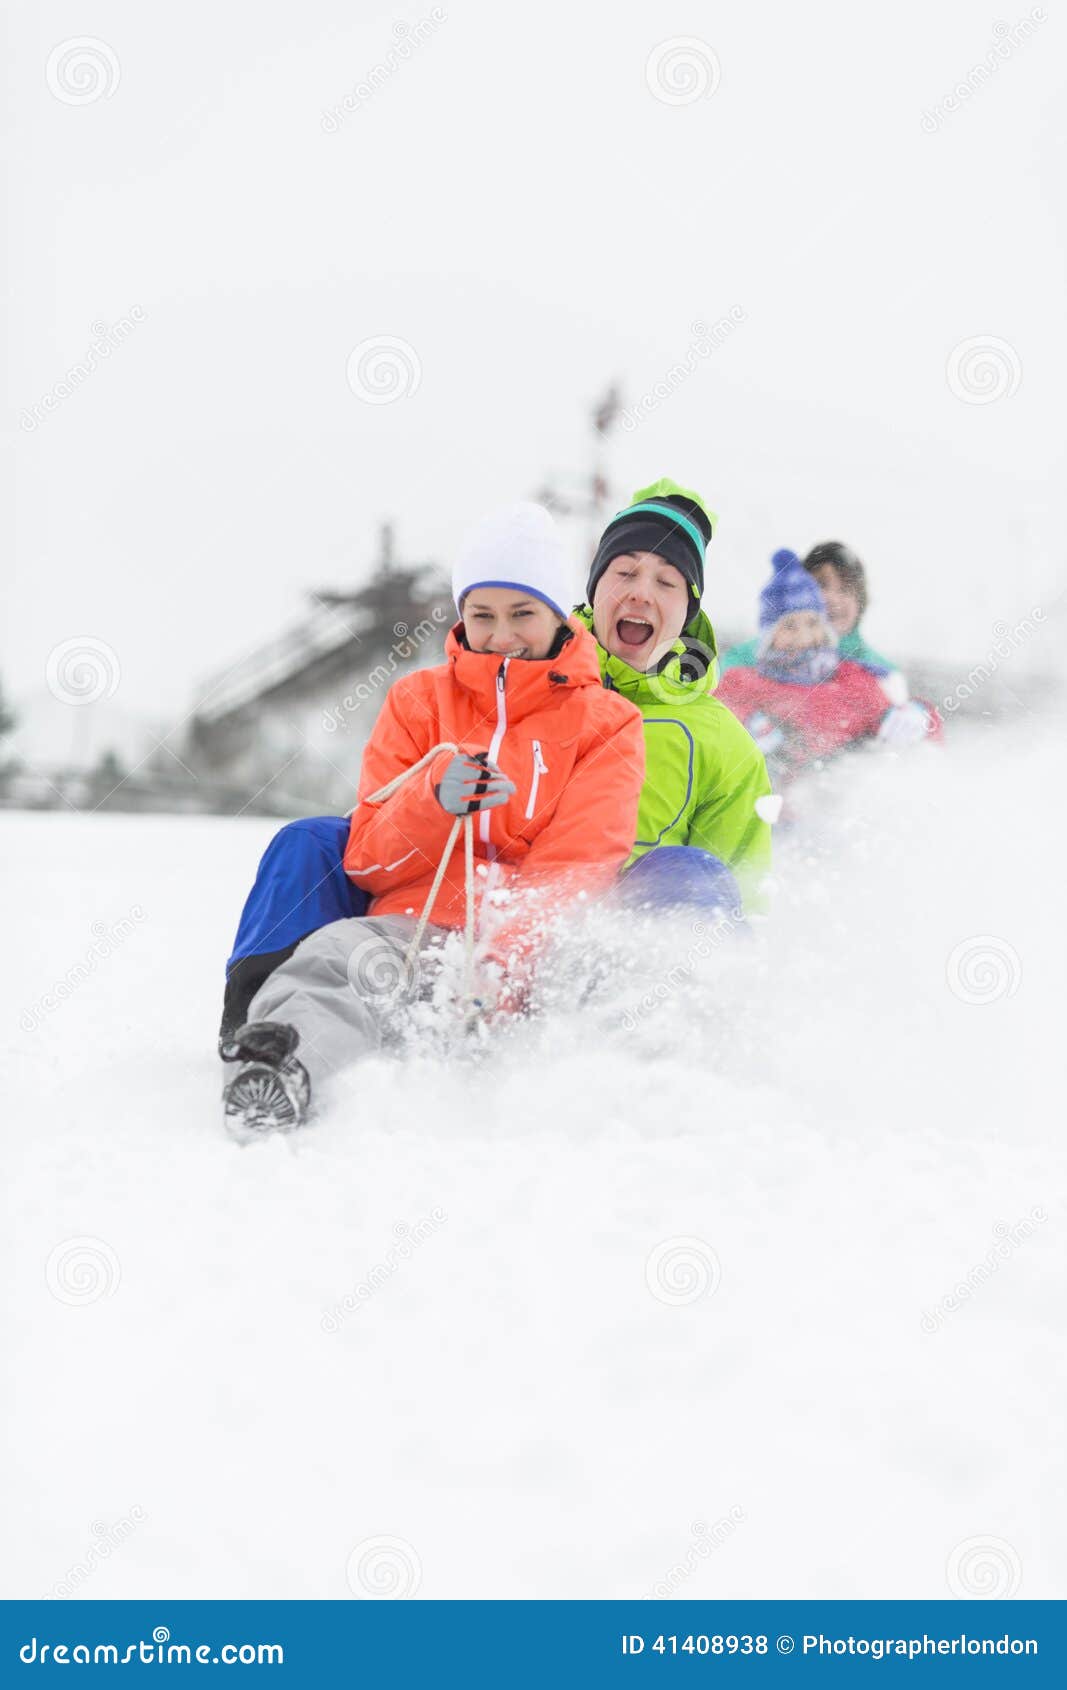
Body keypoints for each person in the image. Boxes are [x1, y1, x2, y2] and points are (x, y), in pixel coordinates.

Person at [218, 478, 774, 1054]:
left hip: (593, 917)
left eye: (666, 581)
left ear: (688, 608)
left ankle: (683, 1043)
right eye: (625, 572)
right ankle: (268, 1030)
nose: (640, 593)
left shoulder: (703, 738)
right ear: (591, 588)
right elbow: (374, 842)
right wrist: (433, 800)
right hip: (448, 894)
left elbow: (736, 886)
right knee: (309, 843)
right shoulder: (478, 678)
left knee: (691, 873)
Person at [221, 504, 646, 1137]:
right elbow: (366, 856)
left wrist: (502, 962)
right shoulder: (418, 701)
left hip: (529, 954)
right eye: (482, 615)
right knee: (334, 957)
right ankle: (277, 1066)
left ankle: (644, 1087)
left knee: (604, 980)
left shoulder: (607, 723)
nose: (501, 634)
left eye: (522, 613)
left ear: (560, 614)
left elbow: (579, 861)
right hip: (412, 930)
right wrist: (431, 799)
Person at [715, 549, 940, 784]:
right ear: (769, 635)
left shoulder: (861, 676)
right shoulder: (743, 669)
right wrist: (743, 725)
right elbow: (715, 708)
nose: (803, 637)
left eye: (844, 589)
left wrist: (920, 716)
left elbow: (912, 739)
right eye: (790, 626)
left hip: (831, 797)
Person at [720, 539, 897, 679]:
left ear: (860, 602)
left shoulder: (881, 673)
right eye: (822, 584)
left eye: (845, 589)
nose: (833, 599)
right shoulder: (751, 657)